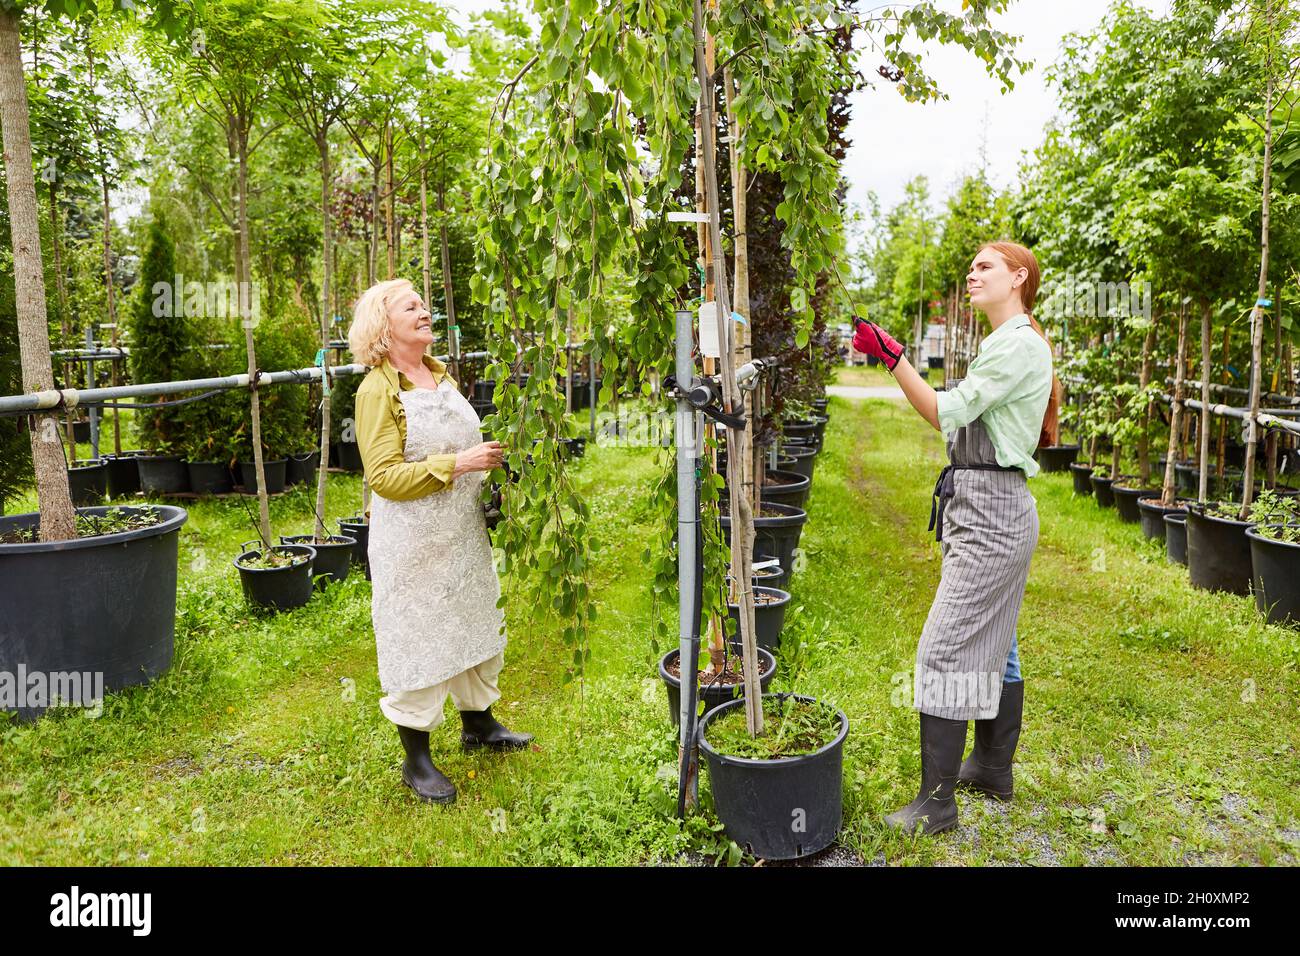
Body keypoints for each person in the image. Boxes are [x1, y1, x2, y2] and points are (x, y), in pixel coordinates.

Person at [853, 241, 1060, 835]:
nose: (972, 273)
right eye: (970, 265)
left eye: (985, 265)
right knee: (1001, 643)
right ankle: (993, 768)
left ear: (1018, 277)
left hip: (994, 515)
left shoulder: (1019, 344)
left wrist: (893, 358)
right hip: (989, 507)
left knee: (943, 651)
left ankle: (937, 804)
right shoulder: (1009, 342)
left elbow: (946, 411)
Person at [349, 278, 532, 806]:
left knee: (474, 619)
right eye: (412, 306)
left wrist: (490, 473)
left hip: (460, 531)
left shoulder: (439, 376)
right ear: (385, 327)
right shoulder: (376, 390)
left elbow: (464, 448)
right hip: (412, 540)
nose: (425, 311)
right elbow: (383, 476)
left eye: (424, 304)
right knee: (419, 634)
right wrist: (459, 465)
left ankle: (480, 724)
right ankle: (417, 759)